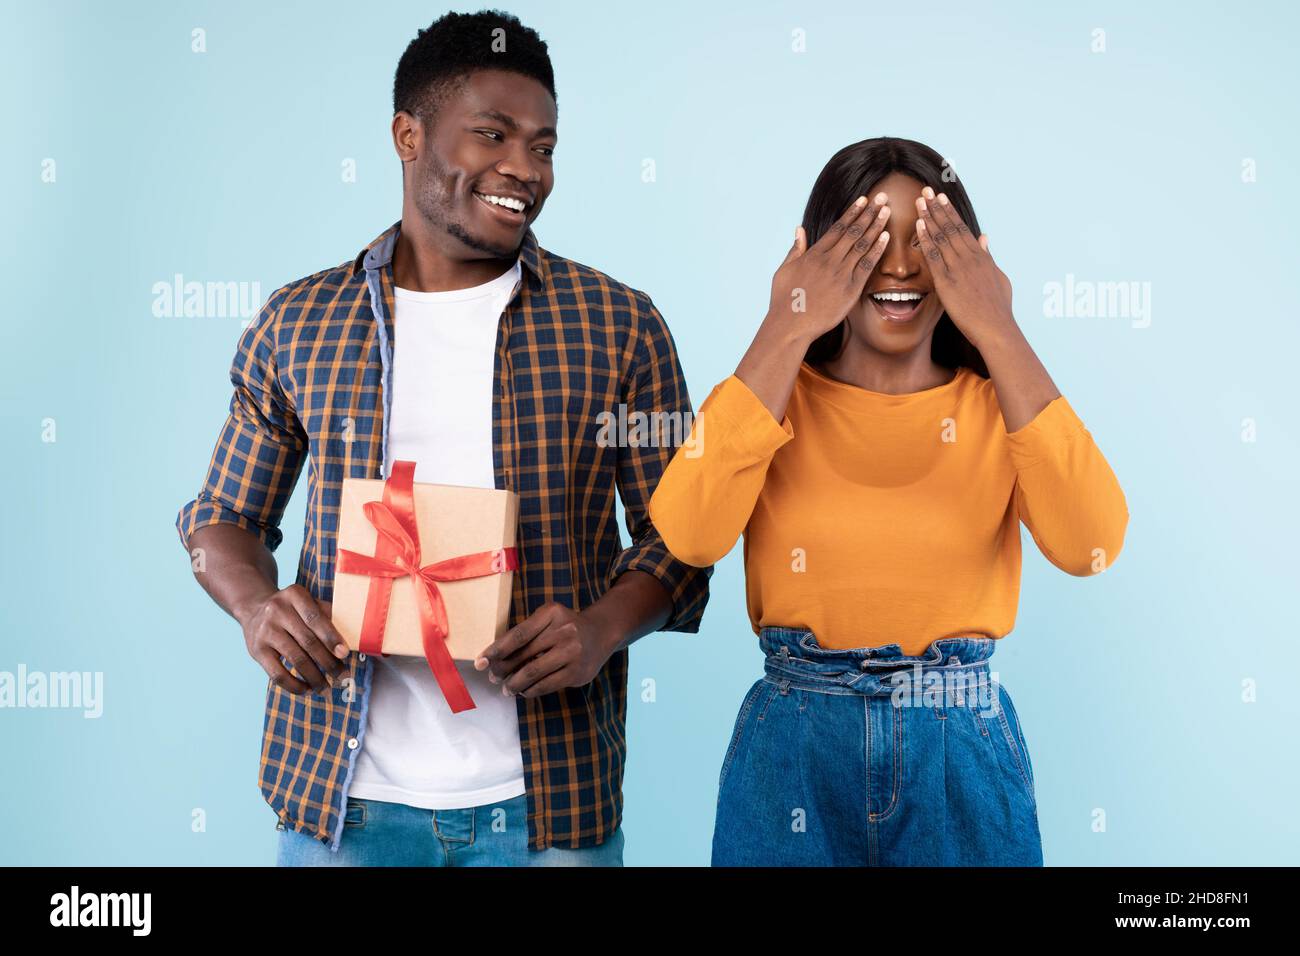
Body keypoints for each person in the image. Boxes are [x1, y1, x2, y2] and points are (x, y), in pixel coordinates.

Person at [175, 9, 709, 867]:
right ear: (407, 134)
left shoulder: (620, 323)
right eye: (491, 135)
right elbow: (220, 517)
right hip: (340, 805)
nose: (523, 170)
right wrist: (256, 607)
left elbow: (683, 535)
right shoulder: (300, 321)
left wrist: (603, 627)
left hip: (549, 807)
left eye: (543, 147)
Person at [648, 137, 1129, 866]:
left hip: (959, 752)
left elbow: (1092, 545)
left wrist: (998, 327)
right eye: (869, 236)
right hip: (795, 749)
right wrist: (786, 322)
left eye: (927, 243)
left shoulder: (1002, 407)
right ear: (816, 251)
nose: (901, 266)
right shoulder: (775, 400)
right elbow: (688, 533)